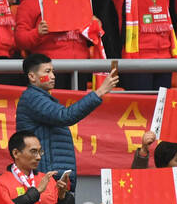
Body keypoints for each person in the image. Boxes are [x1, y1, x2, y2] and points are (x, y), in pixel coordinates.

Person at [14, 53, 119, 188]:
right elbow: (65, 116)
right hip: (46, 178)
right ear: (32, 76)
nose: (53, 76)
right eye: (47, 72)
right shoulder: (32, 98)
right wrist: (99, 92)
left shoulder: (40, 98)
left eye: (53, 71)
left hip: (54, 177)